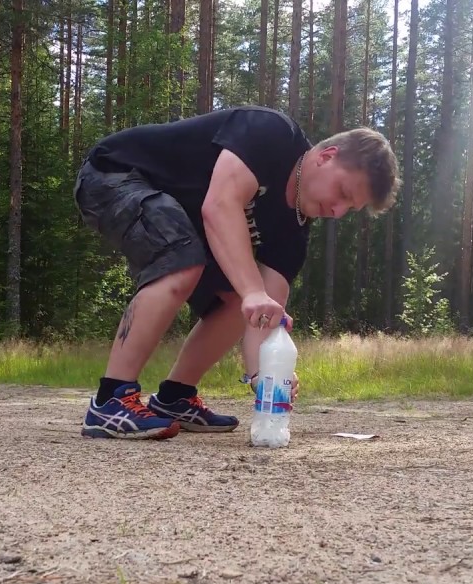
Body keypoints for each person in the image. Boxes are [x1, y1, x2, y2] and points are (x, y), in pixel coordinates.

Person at [74, 105, 400, 439]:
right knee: (183, 258)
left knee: (235, 301)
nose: (337, 211)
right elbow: (219, 205)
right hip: (113, 175)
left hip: (175, 214)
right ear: (327, 156)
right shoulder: (272, 133)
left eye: (350, 209)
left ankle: (174, 397)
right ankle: (110, 400)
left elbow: (264, 312)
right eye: (343, 193)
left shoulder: (294, 233)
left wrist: (265, 375)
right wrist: (253, 291)